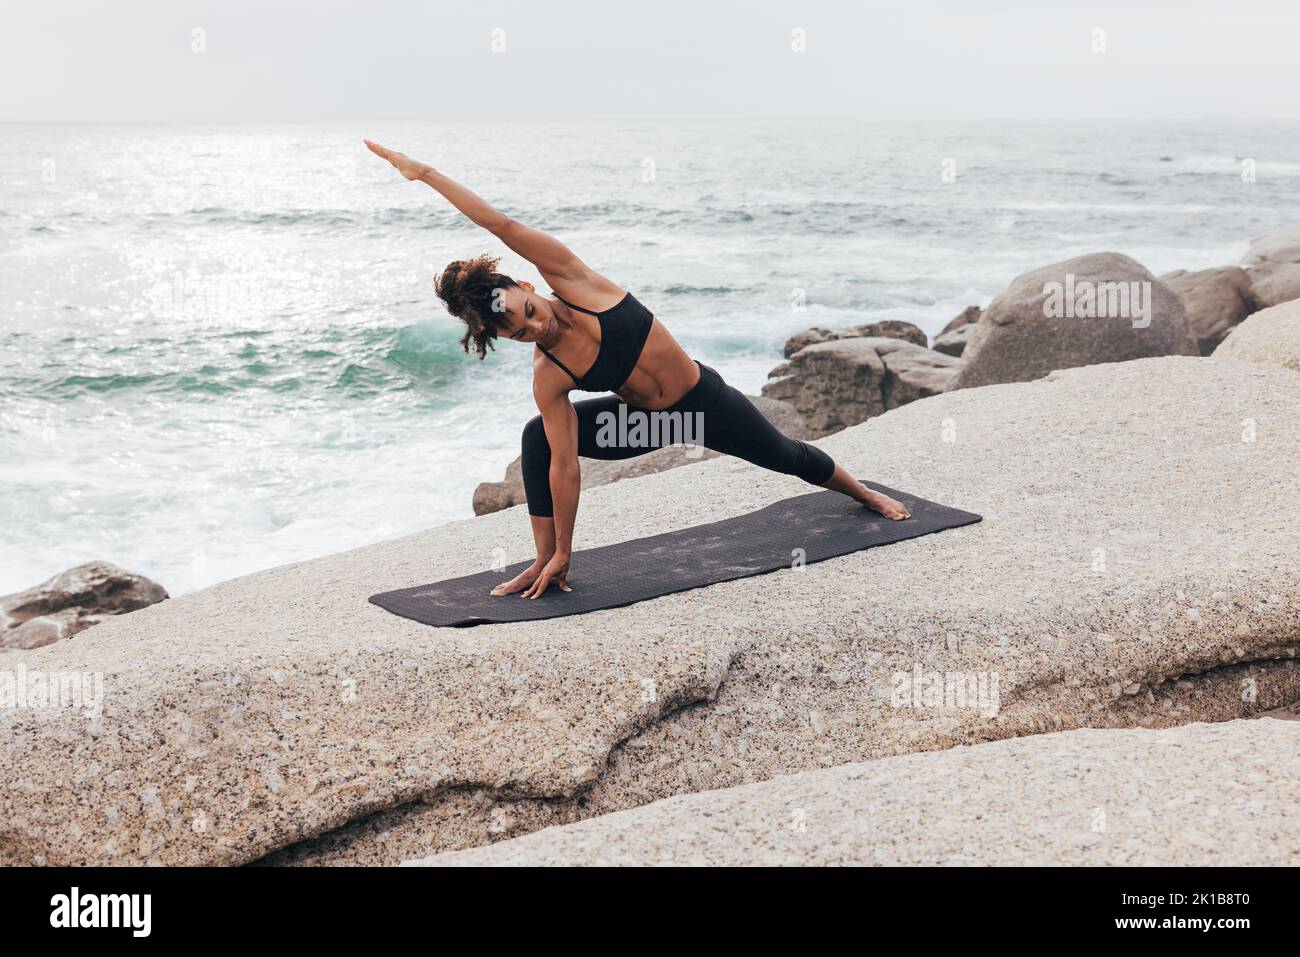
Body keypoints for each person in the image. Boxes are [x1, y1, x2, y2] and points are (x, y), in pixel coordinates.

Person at [366, 140, 911, 599]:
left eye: (528, 313)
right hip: (648, 424)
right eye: (517, 333)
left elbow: (502, 224)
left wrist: (428, 174)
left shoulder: (577, 281)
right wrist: (563, 550)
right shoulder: (549, 372)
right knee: (539, 437)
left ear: (527, 287)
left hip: (704, 406)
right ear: (502, 338)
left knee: (788, 458)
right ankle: (542, 563)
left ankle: (864, 494)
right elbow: (564, 467)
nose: (534, 329)